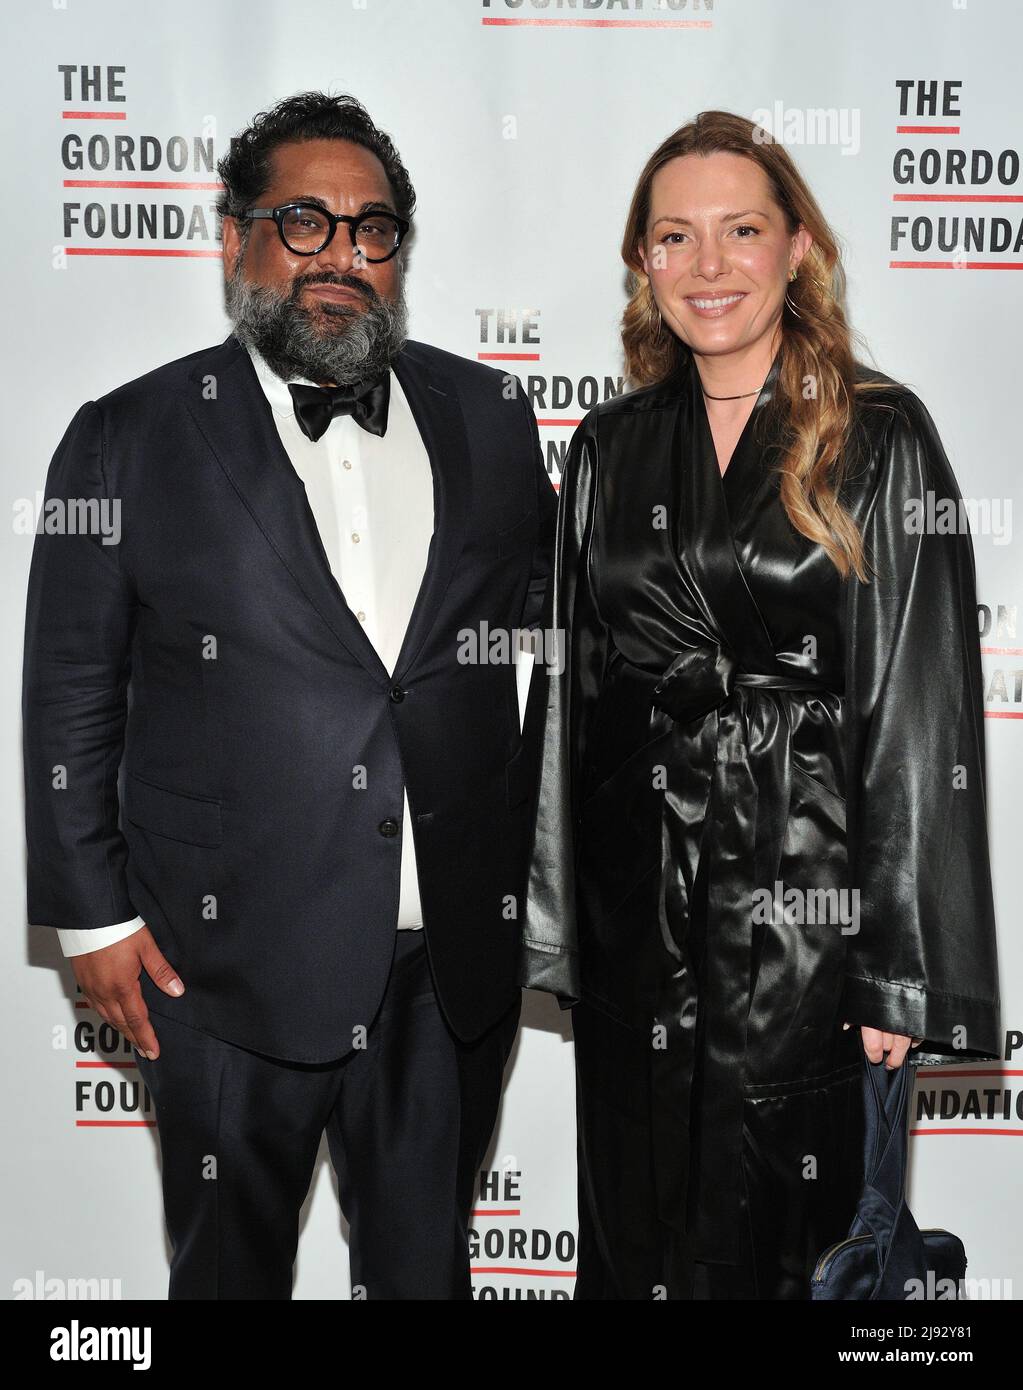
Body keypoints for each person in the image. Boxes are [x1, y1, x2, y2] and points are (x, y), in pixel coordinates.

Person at [23, 90, 557, 1299]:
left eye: (373, 231)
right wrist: (92, 916)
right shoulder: (124, 437)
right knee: (228, 1279)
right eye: (304, 222)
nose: (341, 256)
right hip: (222, 970)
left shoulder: (491, 415)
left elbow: (575, 623)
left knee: (426, 1278)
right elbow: (67, 687)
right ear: (235, 239)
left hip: (445, 968)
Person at [521, 110, 1000, 1300]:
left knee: (786, 1239)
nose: (710, 265)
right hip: (642, 904)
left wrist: (903, 973)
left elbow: (919, 705)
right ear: (643, 263)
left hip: (810, 907)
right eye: (674, 237)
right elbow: (573, 688)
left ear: (798, 247)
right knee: (639, 1230)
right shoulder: (612, 445)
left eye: (741, 230)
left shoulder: (878, 432)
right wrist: (549, 914)